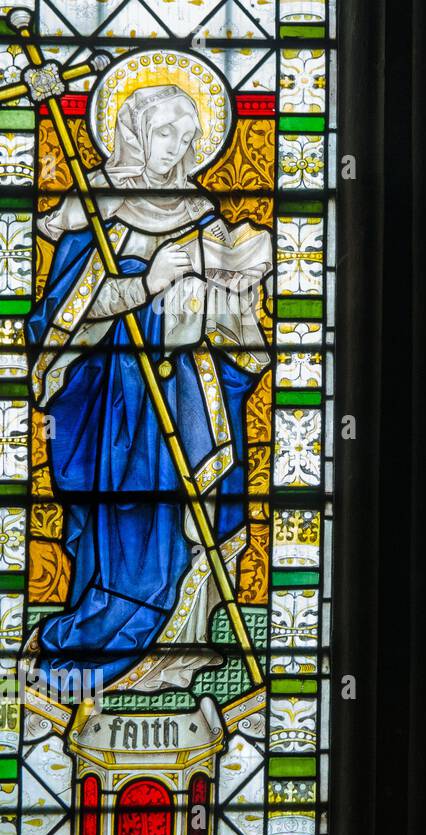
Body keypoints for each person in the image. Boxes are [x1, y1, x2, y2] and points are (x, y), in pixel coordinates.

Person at [28, 81, 270, 693]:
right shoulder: (96, 209)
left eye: (187, 138)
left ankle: (176, 647)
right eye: (164, 133)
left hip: (187, 402)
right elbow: (57, 322)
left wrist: (236, 296)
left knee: (189, 519)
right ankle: (102, 635)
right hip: (112, 406)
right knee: (126, 522)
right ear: (133, 133)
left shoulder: (202, 214)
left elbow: (240, 344)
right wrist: (145, 283)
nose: (176, 148)